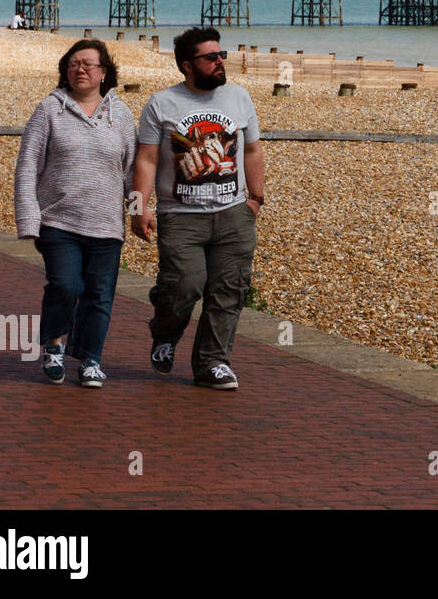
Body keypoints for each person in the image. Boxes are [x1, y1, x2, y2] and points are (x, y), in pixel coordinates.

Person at [131, 26, 264, 390]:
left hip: (234, 214)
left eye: (222, 55)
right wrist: (137, 207)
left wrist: (255, 198)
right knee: (183, 286)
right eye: (211, 58)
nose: (220, 62)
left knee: (229, 290)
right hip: (180, 216)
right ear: (187, 66)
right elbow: (144, 160)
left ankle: (212, 363)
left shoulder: (239, 97)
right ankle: (164, 333)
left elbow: (252, 149)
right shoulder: (161, 104)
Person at [14, 40, 135, 387]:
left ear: (104, 72)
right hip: (58, 222)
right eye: (72, 64)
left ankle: (90, 359)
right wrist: (28, 219)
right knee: (66, 285)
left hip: (107, 226)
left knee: (99, 295)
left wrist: (138, 212)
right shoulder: (49, 109)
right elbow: (27, 167)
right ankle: (53, 346)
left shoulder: (122, 114)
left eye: (87, 64)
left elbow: (132, 172)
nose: (79, 69)